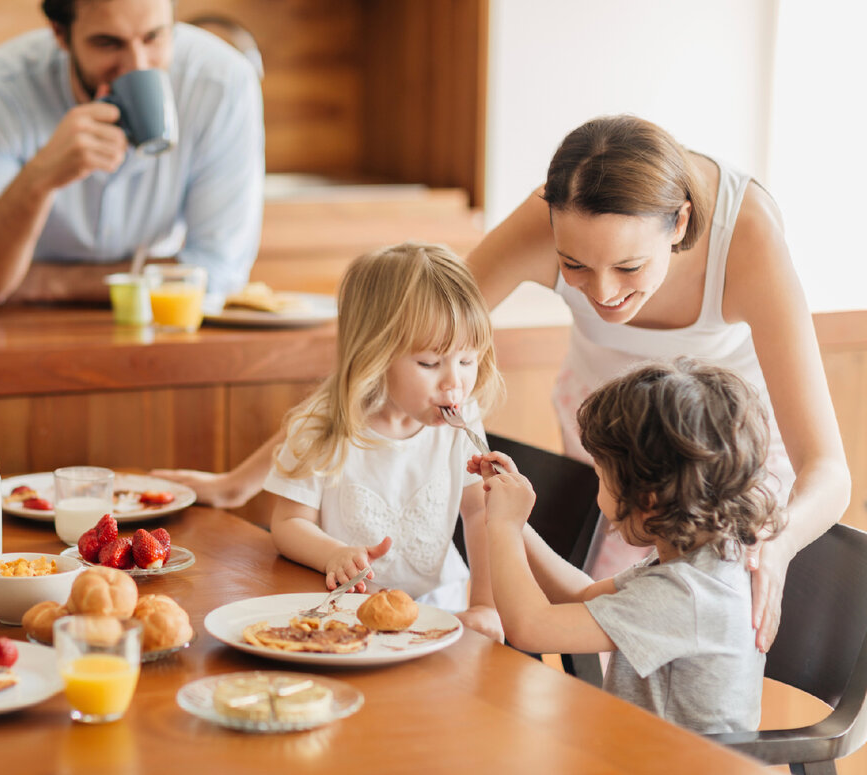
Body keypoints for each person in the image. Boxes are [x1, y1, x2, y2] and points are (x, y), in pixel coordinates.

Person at [154, 114, 851, 651]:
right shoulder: (551, 212)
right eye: (573, 267)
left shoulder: (746, 233)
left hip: (722, 455)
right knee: (606, 628)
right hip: (607, 434)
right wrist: (241, 483)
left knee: (690, 630)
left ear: (681, 225)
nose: (602, 295)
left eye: (630, 269)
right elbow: (384, 356)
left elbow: (829, 468)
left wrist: (778, 542)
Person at [474, 358, 783, 734]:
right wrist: (516, 523)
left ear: (648, 499)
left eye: (601, 476)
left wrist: (502, 526)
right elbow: (583, 595)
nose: (597, 486)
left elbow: (529, 626)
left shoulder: (686, 594)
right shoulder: (704, 558)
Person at [0, 0, 265, 320]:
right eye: (108, 43)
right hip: (19, 334)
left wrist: (43, 282)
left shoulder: (222, 83)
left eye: (154, 37)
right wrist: (39, 179)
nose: (138, 65)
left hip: (154, 329)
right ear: (61, 34)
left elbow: (218, 273)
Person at [263, 242, 505, 639]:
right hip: (346, 615)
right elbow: (288, 522)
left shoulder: (464, 421)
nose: (454, 382)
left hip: (440, 610)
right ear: (374, 353)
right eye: (429, 363)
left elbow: (479, 514)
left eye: (467, 361)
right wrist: (332, 554)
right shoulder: (323, 424)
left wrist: (484, 605)